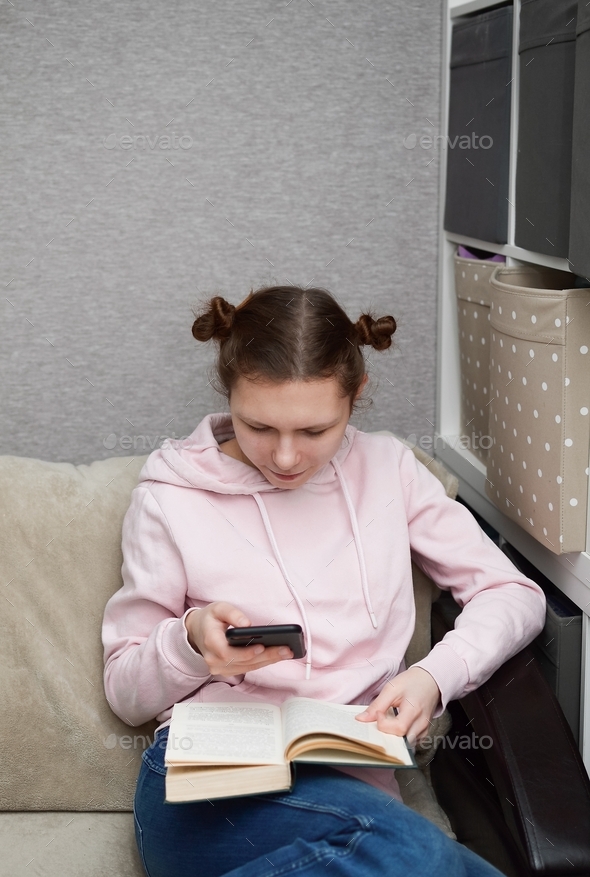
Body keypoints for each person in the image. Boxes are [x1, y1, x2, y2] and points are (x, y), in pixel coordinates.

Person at [102, 284, 546, 877]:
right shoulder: (169, 497)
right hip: (203, 790)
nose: (285, 458)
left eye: (314, 431)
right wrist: (188, 643)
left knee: (399, 850)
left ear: (356, 396)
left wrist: (431, 678)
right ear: (228, 392)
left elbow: (512, 594)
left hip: (353, 789)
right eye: (258, 426)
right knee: (413, 851)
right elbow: (125, 693)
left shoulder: (391, 472)